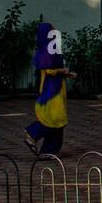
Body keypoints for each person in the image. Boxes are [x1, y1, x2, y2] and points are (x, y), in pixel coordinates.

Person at [24, 21, 76, 156]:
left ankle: (49, 151)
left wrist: (67, 74)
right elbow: (49, 70)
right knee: (53, 119)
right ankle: (33, 133)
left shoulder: (52, 49)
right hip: (51, 92)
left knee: (58, 121)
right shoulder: (47, 50)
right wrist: (63, 71)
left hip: (57, 90)